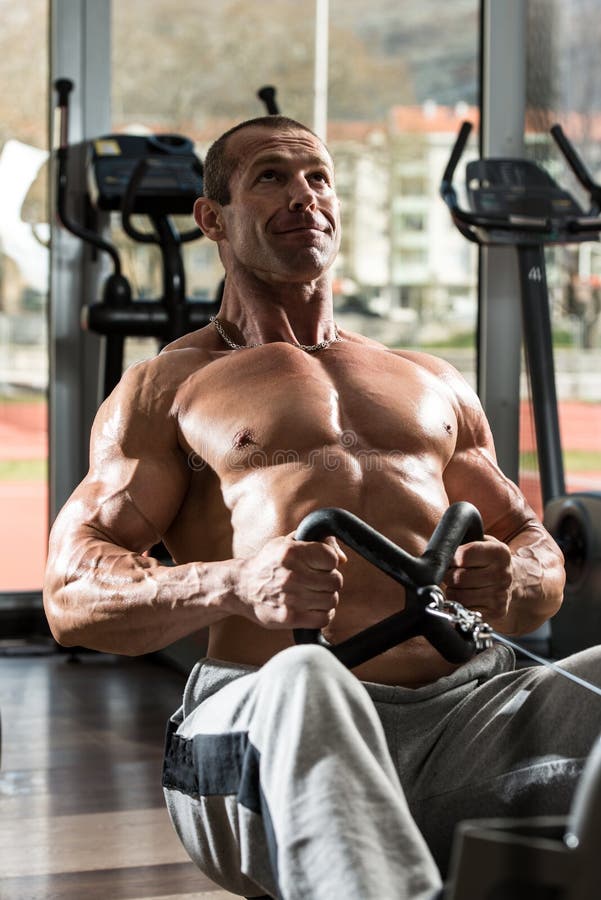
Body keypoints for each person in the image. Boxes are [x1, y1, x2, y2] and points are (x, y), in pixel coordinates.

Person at [43, 115, 600, 900]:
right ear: (212, 218)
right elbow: (69, 593)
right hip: (260, 733)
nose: (304, 196)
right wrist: (232, 585)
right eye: (270, 176)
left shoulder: (431, 380)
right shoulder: (167, 388)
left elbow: (530, 542)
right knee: (309, 676)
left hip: (461, 724)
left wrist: (515, 581)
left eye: (318, 179)